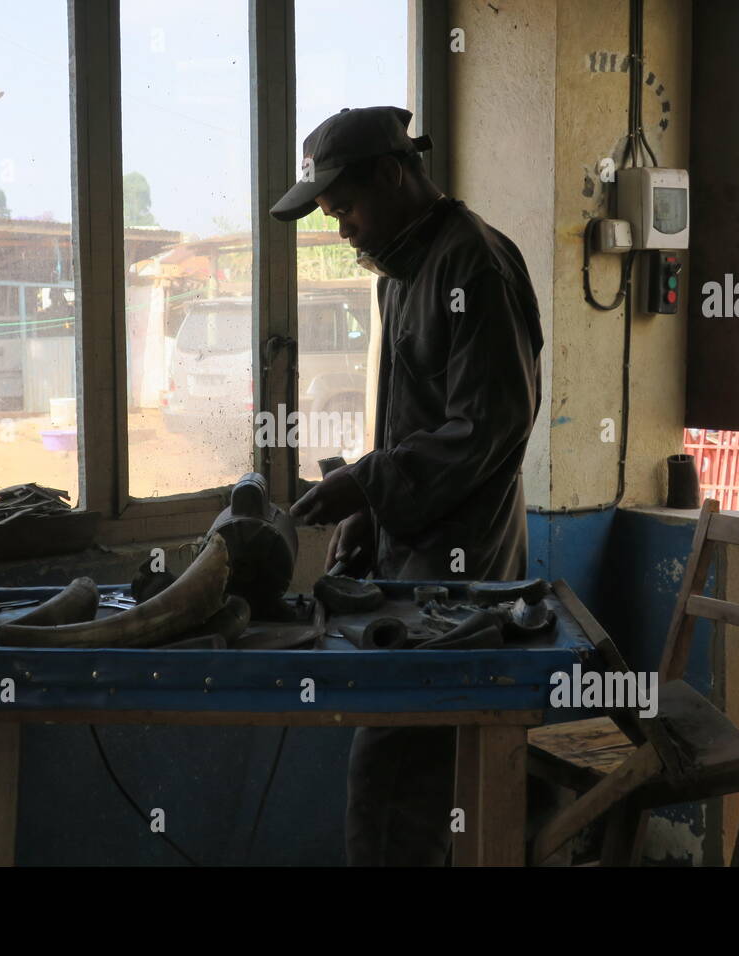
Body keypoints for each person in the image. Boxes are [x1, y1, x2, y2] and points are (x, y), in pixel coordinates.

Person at [270, 106, 543, 865]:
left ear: (394, 174)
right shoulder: (402, 271)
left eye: (346, 207)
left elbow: (486, 430)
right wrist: (367, 516)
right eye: (331, 215)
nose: (343, 227)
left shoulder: (473, 265)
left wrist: (367, 483)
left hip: (462, 564)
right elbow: (406, 426)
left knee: (393, 773)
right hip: (407, 554)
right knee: (416, 775)